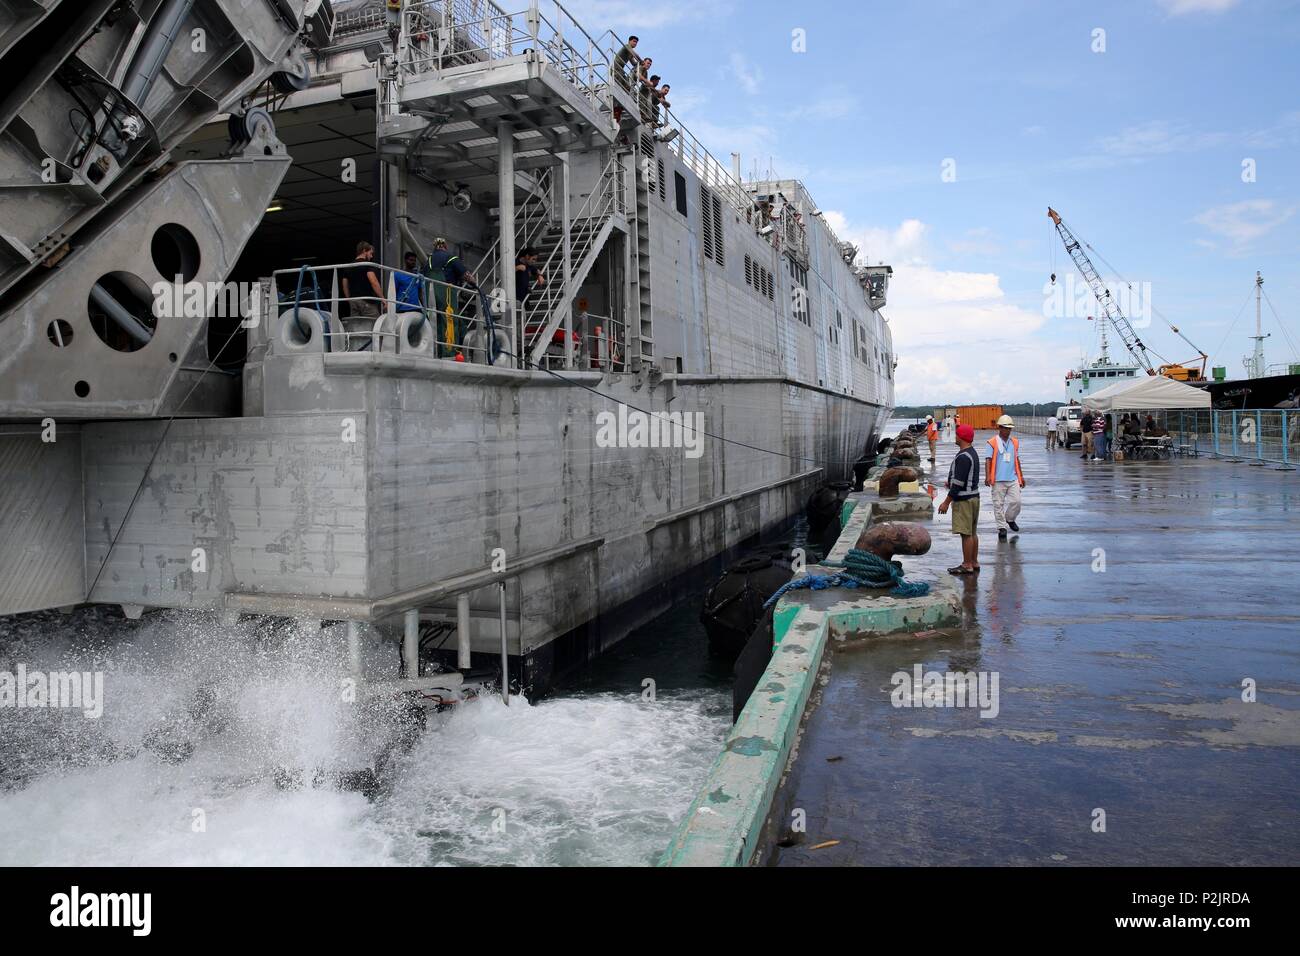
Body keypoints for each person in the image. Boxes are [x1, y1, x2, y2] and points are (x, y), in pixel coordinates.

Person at [938, 423, 981, 575]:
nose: (955, 437)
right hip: (974, 497)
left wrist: (946, 502)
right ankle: (974, 562)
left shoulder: (963, 456)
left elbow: (958, 484)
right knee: (972, 532)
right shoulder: (972, 453)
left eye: (957, 435)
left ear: (962, 437)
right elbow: (964, 478)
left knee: (965, 533)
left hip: (964, 500)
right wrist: (951, 481)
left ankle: (967, 564)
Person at [423, 238, 475, 354]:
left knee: (433, 320)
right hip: (446, 294)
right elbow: (466, 275)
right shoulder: (451, 257)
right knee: (449, 321)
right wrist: (474, 283)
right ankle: (449, 351)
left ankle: (432, 350)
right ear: (445, 246)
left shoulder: (428, 261)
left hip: (429, 295)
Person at [984, 414, 1026, 540]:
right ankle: (1002, 527)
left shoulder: (1014, 442)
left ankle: (1010, 518)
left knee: (1016, 502)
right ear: (1000, 428)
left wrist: (1021, 476)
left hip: (1012, 478)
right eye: (1006, 428)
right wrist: (987, 476)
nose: (1008, 431)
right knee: (998, 505)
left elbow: (1016, 459)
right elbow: (988, 460)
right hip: (997, 479)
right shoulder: (992, 443)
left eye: (1010, 428)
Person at [515, 247, 547, 311]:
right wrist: (516, 268)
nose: (534, 261)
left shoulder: (529, 265)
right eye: (533, 259)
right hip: (515, 297)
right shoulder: (516, 262)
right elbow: (506, 274)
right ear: (527, 256)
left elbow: (536, 270)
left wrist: (540, 276)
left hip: (525, 296)